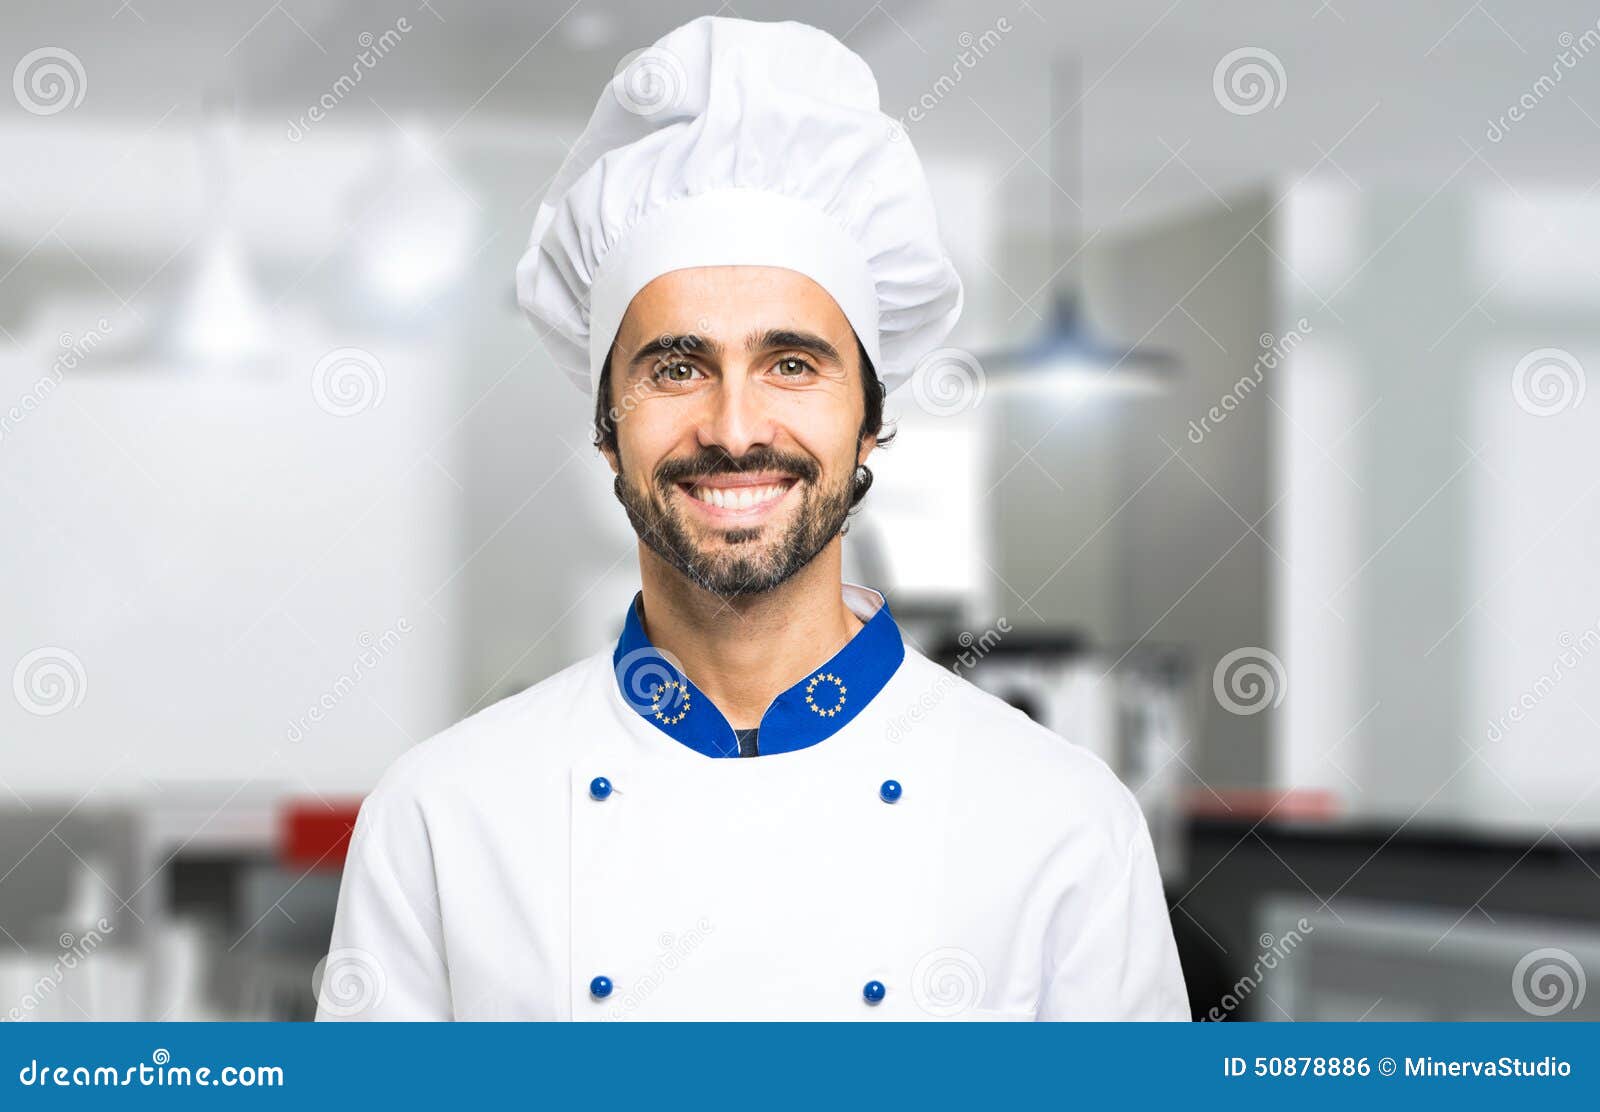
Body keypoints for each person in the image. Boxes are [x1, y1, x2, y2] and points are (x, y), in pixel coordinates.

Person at [316, 15, 1188, 1022]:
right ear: (607, 427)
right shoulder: (441, 815)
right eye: (676, 367)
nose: (734, 428)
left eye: (791, 364)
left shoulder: (1065, 824)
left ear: (869, 420)